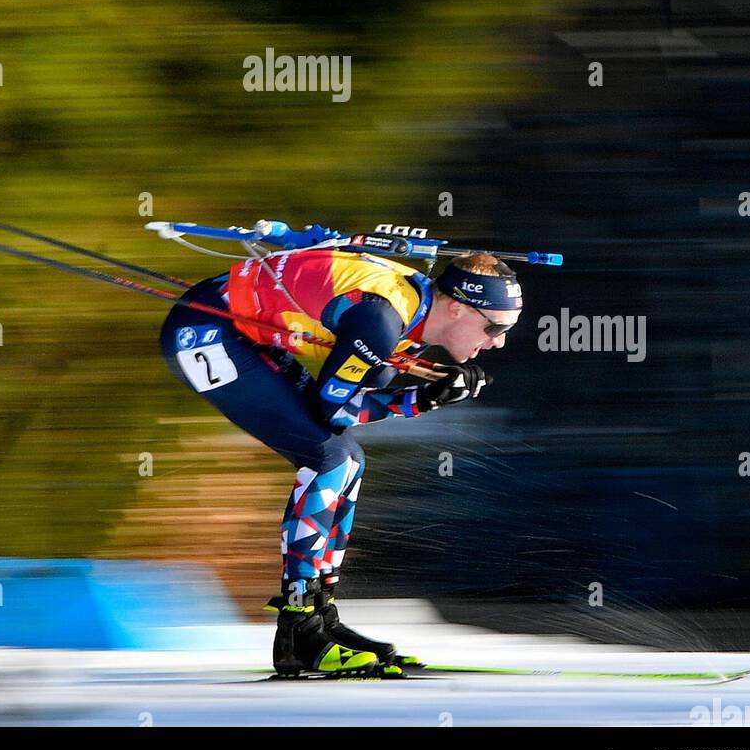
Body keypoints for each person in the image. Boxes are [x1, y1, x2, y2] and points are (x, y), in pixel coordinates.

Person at [159, 244, 523, 676]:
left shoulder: (409, 313)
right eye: (496, 326)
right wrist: (420, 400)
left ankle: (319, 619)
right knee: (327, 458)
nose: (498, 341)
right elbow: (335, 410)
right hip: (206, 333)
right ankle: (299, 632)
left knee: (347, 458)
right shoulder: (381, 319)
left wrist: (420, 393)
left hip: (237, 329)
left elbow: (353, 392)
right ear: (459, 309)